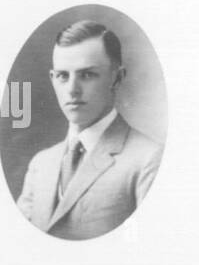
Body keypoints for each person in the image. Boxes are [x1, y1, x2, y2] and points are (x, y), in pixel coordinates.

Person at [16, 20, 163, 240]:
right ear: (53, 79)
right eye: (63, 76)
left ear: (117, 78)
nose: (72, 90)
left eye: (87, 75)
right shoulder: (41, 164)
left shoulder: (147, 160)